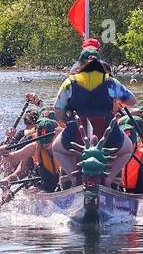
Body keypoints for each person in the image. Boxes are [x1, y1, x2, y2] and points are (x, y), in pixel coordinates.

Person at [49, 45, 136, 188]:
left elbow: (57, 110)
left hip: (76, 134)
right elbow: (132, 101)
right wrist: (117, 100)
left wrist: (64, 121)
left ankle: (75, 178)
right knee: (127, 149)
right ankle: (108, 180)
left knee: (57, 148)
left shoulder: (70, 82)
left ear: (80, 65)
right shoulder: (110, 81)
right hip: (109, 136)